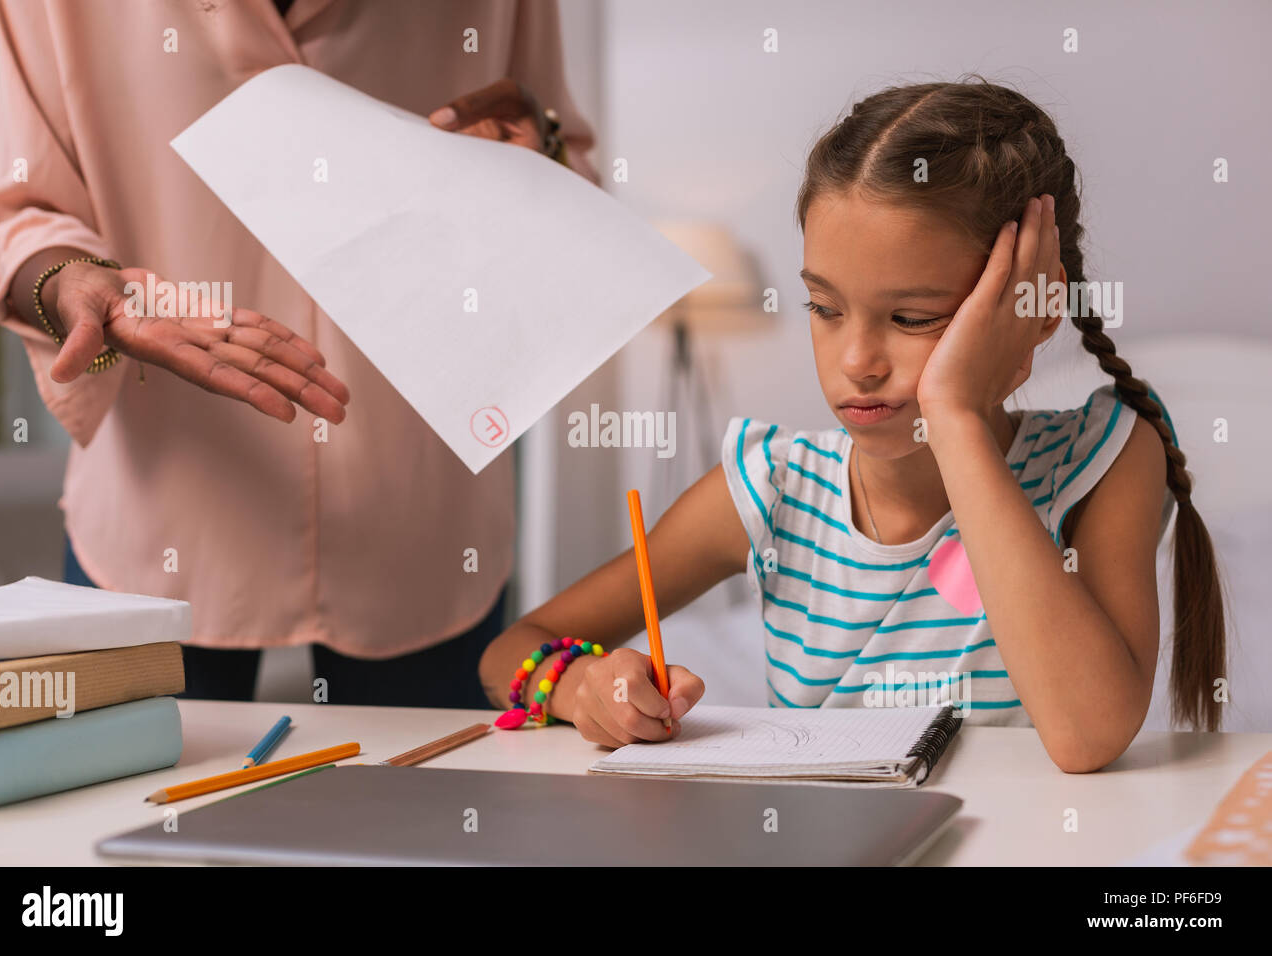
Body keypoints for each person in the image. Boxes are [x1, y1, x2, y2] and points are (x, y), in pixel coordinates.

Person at [478, 78, 1229, 772]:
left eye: (913, 317)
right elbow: (512, 649)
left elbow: (1086, 735)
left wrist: (957, 416)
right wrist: (583, 690)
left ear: (1030, 308)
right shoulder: (771, 487)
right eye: (825, 309)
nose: (858, 360)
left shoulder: (1104, 457)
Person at [0, 0, 596, 706]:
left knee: (429, 812)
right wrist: (71, 285)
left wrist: (538, 156)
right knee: (128, 813)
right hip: (163, 516)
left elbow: (567, 159)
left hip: (423, 519)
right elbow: (22, 213)